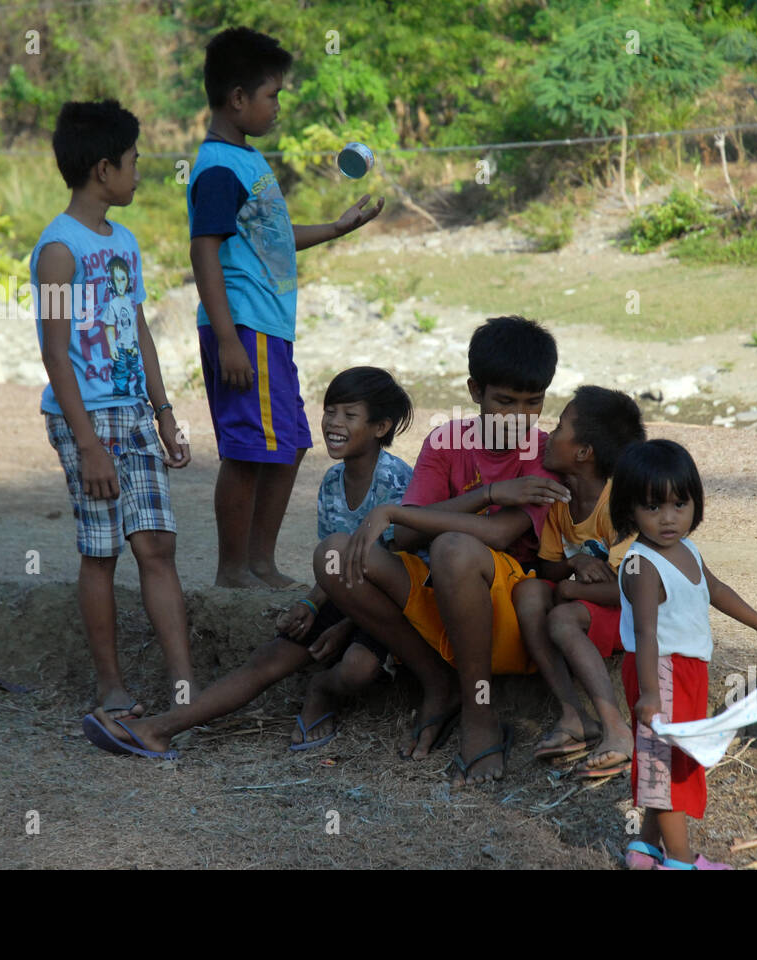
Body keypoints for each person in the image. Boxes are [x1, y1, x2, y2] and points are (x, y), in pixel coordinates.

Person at [82, 368, 415, 759]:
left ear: (381, 427)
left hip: (388, 607)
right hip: (347, 597)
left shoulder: (396, 480)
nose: (333, 424)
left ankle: (321, 690)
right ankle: (155, 730)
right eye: (330, 411)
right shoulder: (330, 481)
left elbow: (397, 570)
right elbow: (334, 564)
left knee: (357, 668)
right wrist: (311, 604)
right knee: (267, 660)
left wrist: (345, 626)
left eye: (349, 414)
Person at [316, 315, 573, 786]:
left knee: (456, 545)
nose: (518, 415)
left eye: (532, 403)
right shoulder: (447, 442)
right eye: (504, 401)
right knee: (334, 552)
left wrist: (399, 513)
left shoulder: (545, 453)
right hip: (441, 604)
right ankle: (437, 680)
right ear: (475, 390)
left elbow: (497, 536)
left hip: (507, 615)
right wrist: (489, 495)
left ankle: (480, 713)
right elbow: (408, 541)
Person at [188, 26, 384, 589]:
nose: (278, 106)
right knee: (251, 450)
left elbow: (267, 239)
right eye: (272, 95)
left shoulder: (247, 162)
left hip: (268, 330)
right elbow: (203, 250)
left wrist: (337, 228)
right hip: (244, 327)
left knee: (290, 444)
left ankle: (259, 562)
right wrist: (227, 338)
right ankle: (234, 570)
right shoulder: (221, 167)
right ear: (237, 99)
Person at [34, 100, 195, 720]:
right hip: (86, 421)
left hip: (133, 411)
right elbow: (55, 352)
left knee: (156, 544)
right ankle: (111, 686)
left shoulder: (123, 241)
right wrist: (88, 443)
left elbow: (138, 329)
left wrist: (164, 413)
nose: (138, 173)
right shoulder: (57, 250)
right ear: (104, 169)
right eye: (133, 162)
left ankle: (184, 687)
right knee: (101, 550)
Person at [612, 439, 757, 870]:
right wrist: (652, 694)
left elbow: (713, 589)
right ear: (629, 510)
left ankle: (645, 849)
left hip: (686, 671)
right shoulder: (641, 565)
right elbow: (645, 631)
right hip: (660, 672)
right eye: (653, 507)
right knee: (668, 767)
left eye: (680, 503)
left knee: (674, 758)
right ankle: (680, 861)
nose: (669, 517)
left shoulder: (687, 550)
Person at [512, 386, 645, 780]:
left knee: (562, 618)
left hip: (635, 614)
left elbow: (629, 588)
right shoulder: (559, 500)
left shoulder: (619, 503)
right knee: (528, 590)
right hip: (596, 605)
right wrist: (579, 560)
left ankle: (617, 730)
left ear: (584, 452)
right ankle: (574, 716)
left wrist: (571, 588)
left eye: (559, 427)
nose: (549, 435)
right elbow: (549, 567)